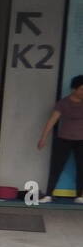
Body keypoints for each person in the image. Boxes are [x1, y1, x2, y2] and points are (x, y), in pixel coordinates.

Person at [37, 75, 83, 203]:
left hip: (81, 140)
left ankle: (79, 195)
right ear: (74, 89)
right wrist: (43, 138)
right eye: (81, 89)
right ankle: (48, 195)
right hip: (64, 139)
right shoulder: (63, 103)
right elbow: (52, 120)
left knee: (81, 168)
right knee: (56, 167)